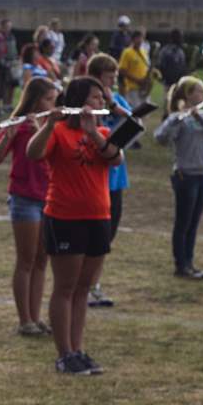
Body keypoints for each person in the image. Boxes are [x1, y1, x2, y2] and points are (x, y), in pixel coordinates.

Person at [26, 77, 123, 375]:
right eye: (95, 98)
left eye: (101, 99)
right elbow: (33, 153)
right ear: (79, 101)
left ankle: (78, 350)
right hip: (65, 218)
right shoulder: (59, 132)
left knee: (83, 288)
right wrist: (49, 125)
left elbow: (115, 158)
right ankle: (64, 353)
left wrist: (93, 132)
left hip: (99, 217)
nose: (101, 103)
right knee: (66, 287)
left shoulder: (102, 132)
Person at [0, 77, 57, 336]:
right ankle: (24, 319)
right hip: (24, 198)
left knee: (41, 260)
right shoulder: (19, 123)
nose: (53, 105)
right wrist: (8, 137)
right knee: (26, 259)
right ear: (35, 100)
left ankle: (36, 317)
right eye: (49, 100)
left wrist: (43, 127)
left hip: (49, 197)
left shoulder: (50, 124)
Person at [154, 76, 203, 279]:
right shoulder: (177, 118)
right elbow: (160, 137)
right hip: (185, 175)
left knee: (194, 222)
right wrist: (178, 120)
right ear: (187, 95)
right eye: (199, 91)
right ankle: (181, 264)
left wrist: (199, 117)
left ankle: (190, 262)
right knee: (183, 223)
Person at [85, 53, 131, 308]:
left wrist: (112, 103)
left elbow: (133, 122)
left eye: (115, 76)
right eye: (108, 77)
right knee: (91, 237)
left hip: (115, 177)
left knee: (106, 238)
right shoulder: (85, 101)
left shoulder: (116, 100)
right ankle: (85, 284)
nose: (113, 81)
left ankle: (94, 284)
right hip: (93, 177)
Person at [117, 29, 151, 110]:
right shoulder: (127, 52)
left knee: (145, 111)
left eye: (141, 38)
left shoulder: (144, 52)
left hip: (144, 88)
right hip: (133, 88)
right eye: (137, 38)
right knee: (136, 111)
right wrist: (137, 80)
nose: (140, 40)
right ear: (133, 39)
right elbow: (122, 70)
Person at [156, 28, 188, 95]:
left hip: (179, 81)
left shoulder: (180, 50)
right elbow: (161, 66)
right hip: (169, 82)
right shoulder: (166, 51)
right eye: (180, 37)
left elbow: (183, 66)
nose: (181, 39)